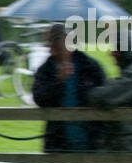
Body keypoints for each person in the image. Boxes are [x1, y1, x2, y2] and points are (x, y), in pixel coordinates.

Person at [31, 23, 107, 152]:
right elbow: (39, 99)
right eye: (50, 40)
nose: (51, 44)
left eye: (55, 39)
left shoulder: (90, 66)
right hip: (58, 145)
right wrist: (58, 81)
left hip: (91, 143)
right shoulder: (45, 70)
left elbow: (104, 97)